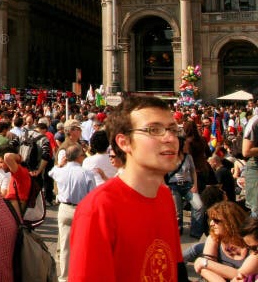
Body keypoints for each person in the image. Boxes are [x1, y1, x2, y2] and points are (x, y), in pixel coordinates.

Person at [69, 96, 187, 281]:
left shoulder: (165, 197)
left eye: (173, 129)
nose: (170, 138)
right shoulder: (98, 209)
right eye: (154, 130)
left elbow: (177, 271)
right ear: (124, 142)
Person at [48, 143, 96, 282]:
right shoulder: (86, 173)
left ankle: (64, 277)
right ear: (79, 156)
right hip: (81, 209)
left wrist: (60, 164)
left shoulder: (60, 171)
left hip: (64, 208)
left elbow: (51, 172)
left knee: (65, 246)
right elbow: (92, 195)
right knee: (82, 244)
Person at [189, 200, 250, 281]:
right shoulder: (214, 238)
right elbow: (204, 270)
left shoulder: (251, 242)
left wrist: (205, 262)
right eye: (211, 219)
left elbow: (244, 276)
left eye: (216, 220)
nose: (211, 223)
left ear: (231, 222)